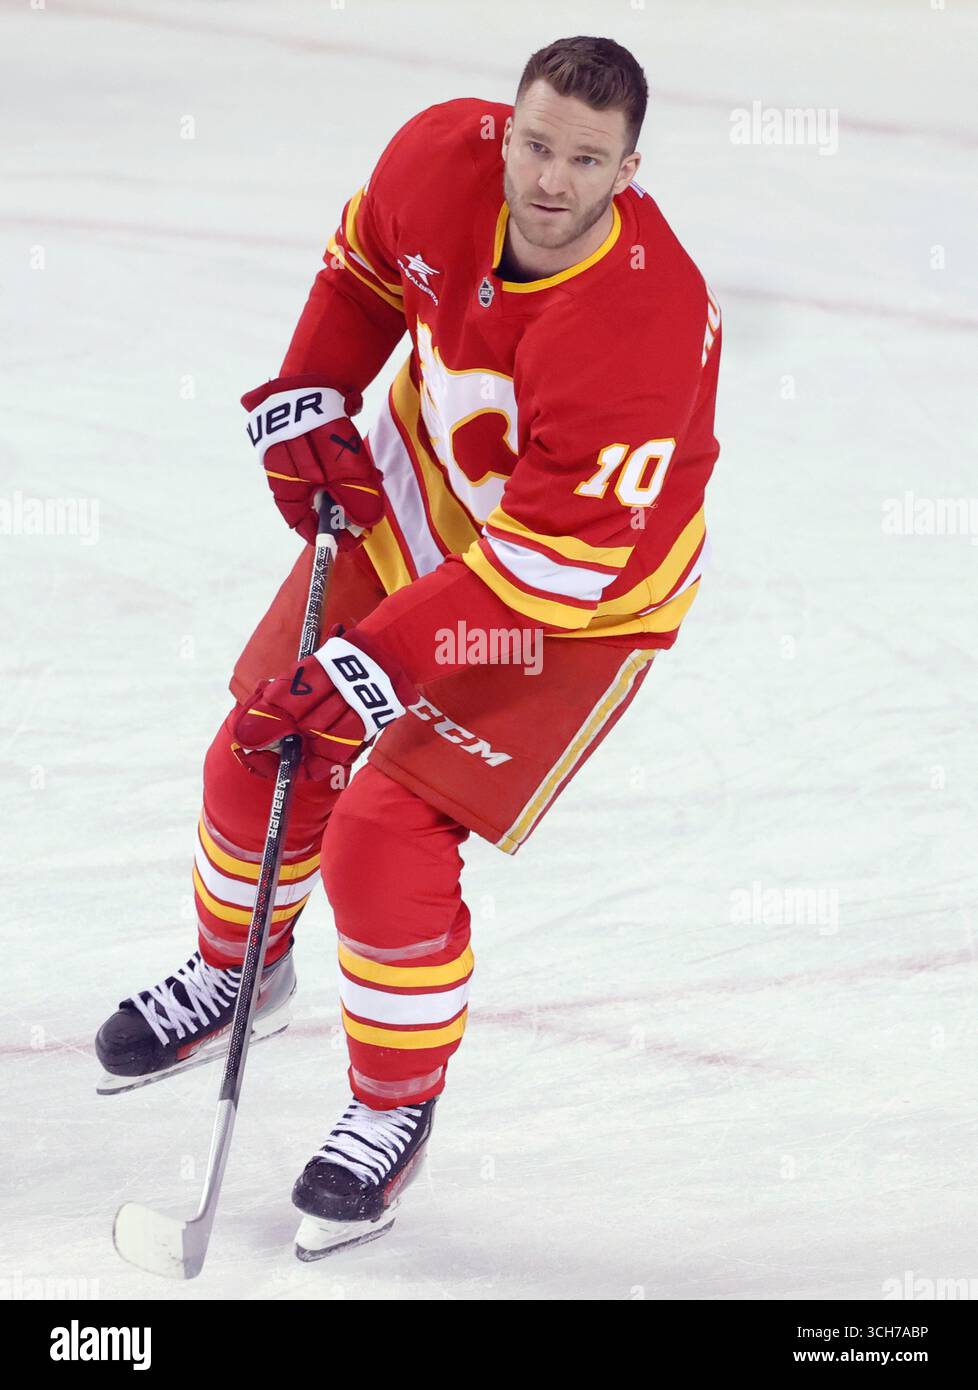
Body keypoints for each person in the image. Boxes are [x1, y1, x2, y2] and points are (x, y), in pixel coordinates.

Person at [95, 34, 722, 1258]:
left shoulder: (645, 320)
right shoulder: (441, 155)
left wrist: (378, 662)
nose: (549, 179)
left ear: (629, 169)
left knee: (383, 834)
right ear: (507, 124)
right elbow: (368, 269)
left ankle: (392, 1109)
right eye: (535, 142)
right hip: (426, 502)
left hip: (574, 605)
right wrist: (311, 397)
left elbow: (550, 562)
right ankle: (239, 973)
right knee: (258, 749)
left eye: (585, 160)